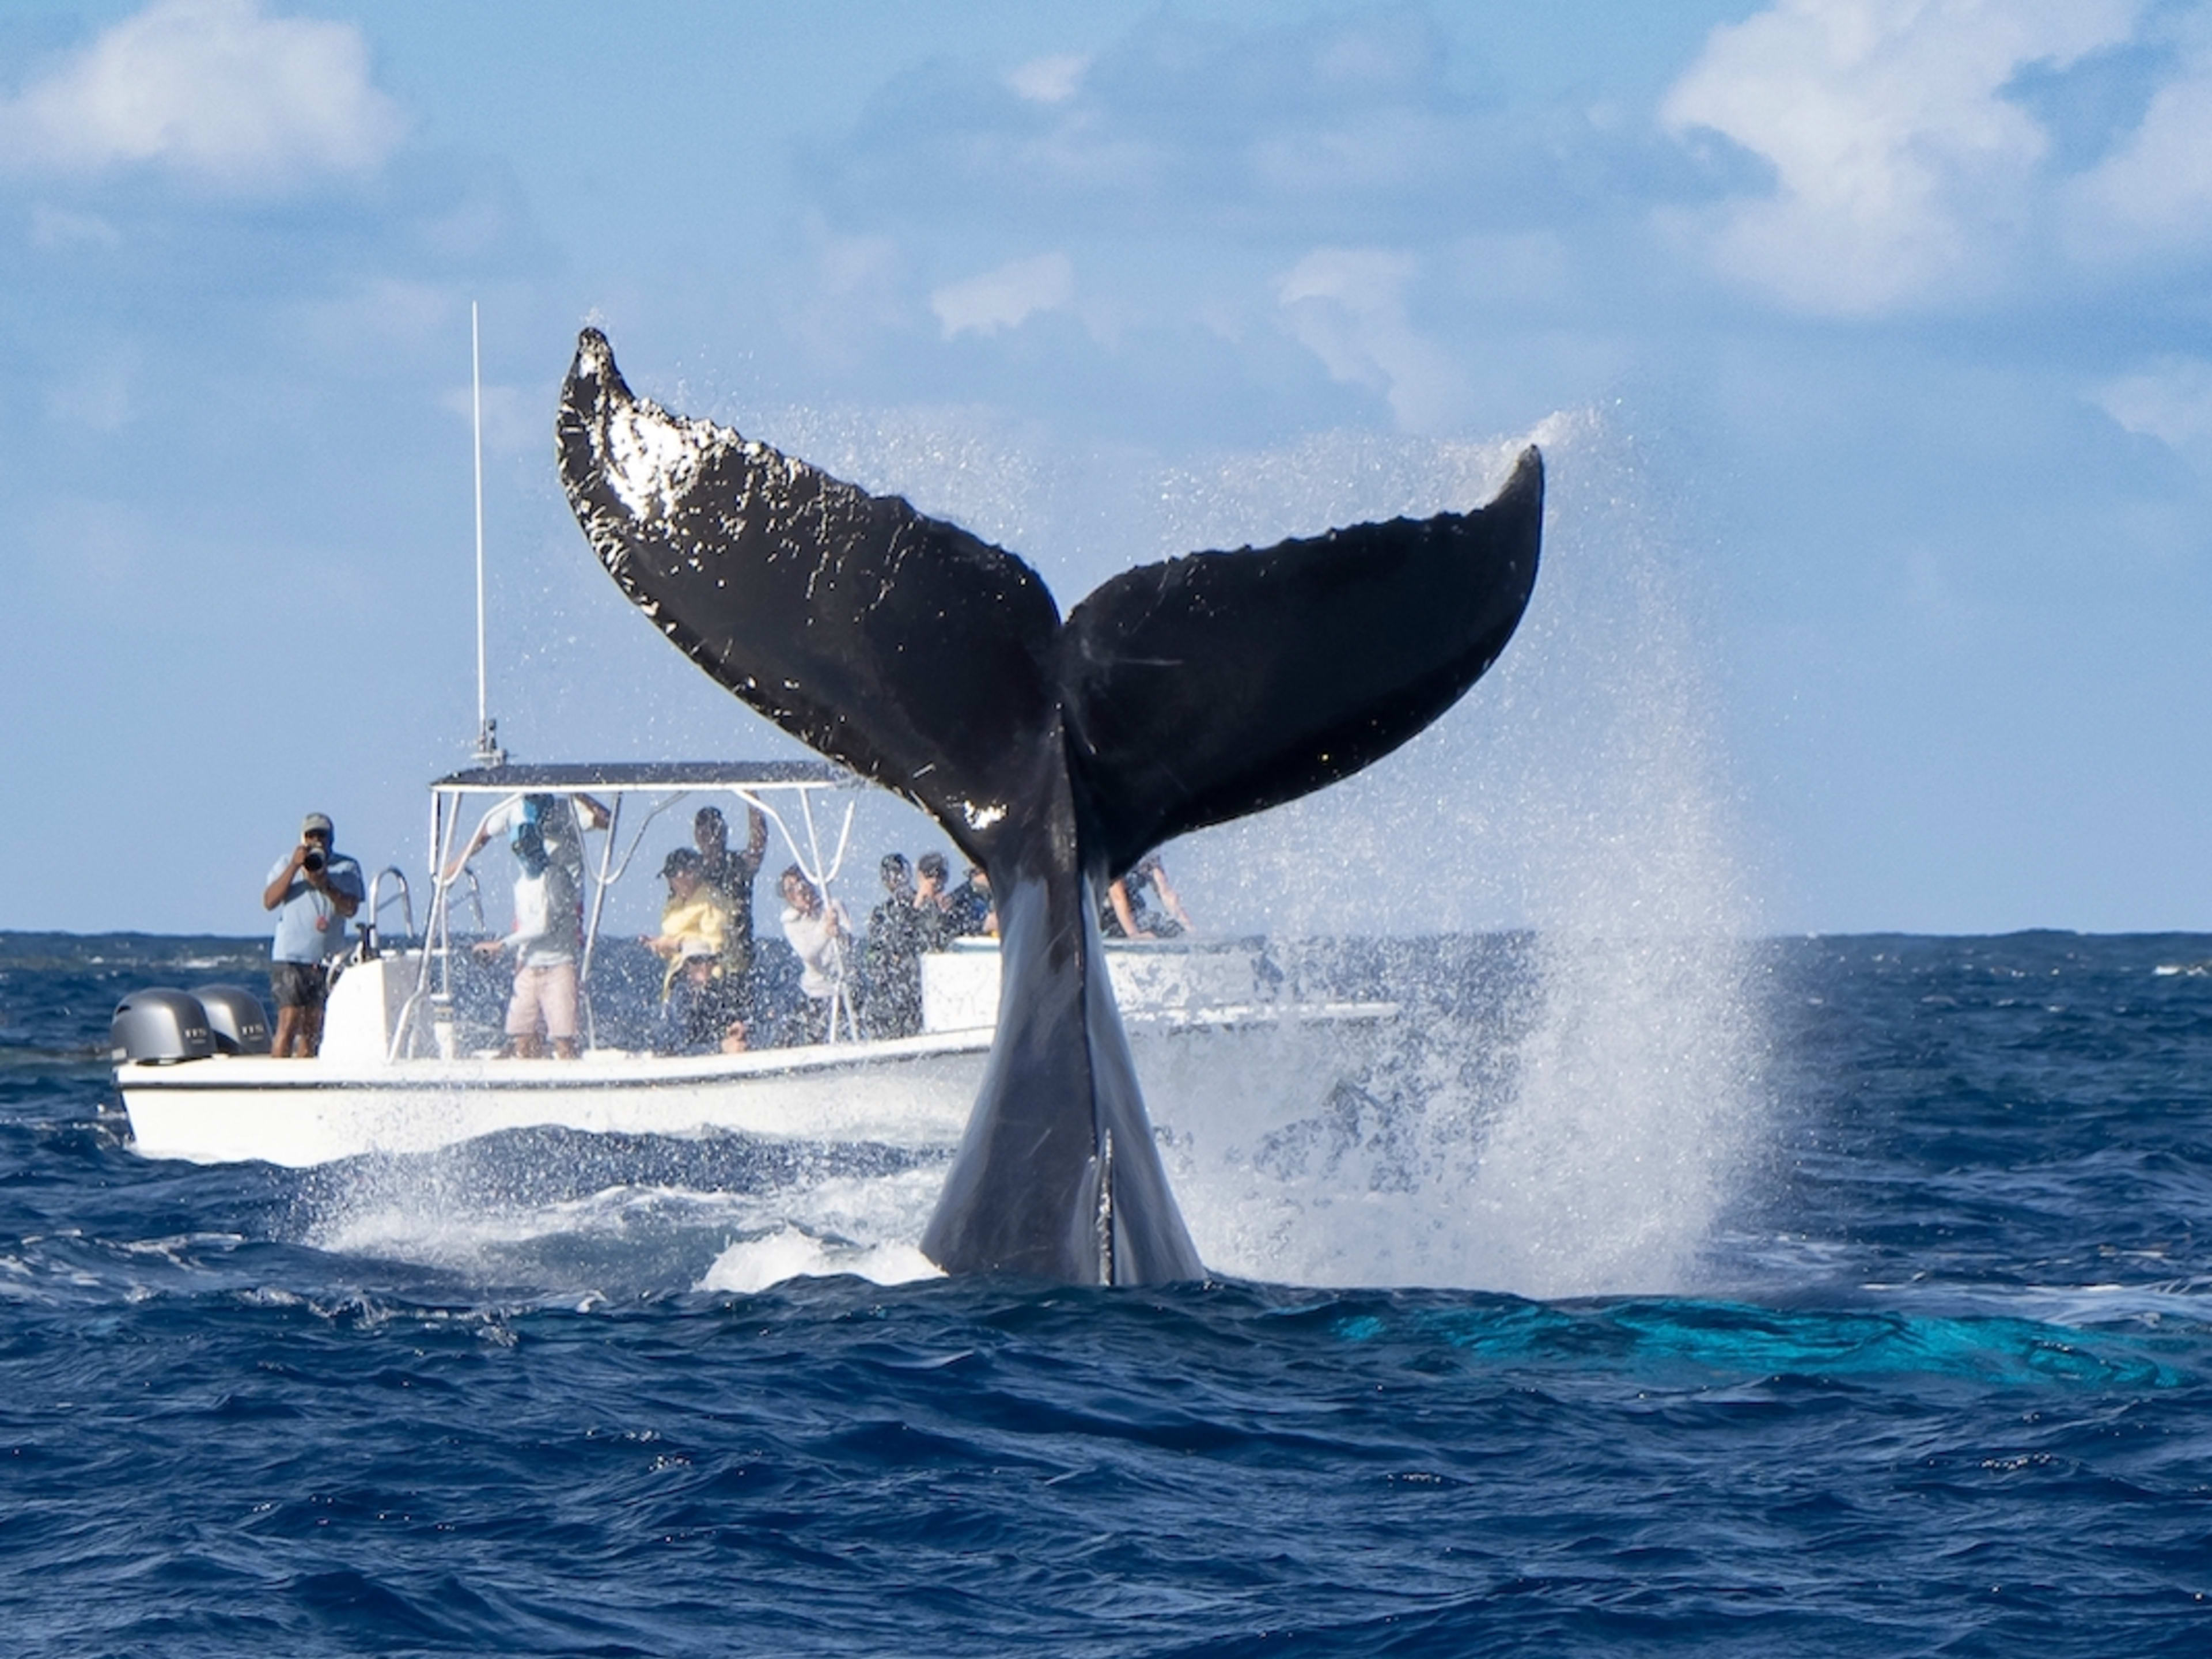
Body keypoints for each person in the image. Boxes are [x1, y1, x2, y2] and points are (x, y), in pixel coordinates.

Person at [472, 817, 582, 1058]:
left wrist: (501, 945)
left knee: (563, 1039)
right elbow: (524, 924)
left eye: (530, 847)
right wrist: (520, 959)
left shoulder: (557, 877)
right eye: (521, 849)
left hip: (558, 965)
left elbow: (545, 924)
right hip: (530, 967)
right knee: (522, 1036)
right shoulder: (521, 885)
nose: (527, 855)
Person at [262, 812, 365, 1058]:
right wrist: (295, 867)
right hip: (291, 956)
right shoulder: (287, 862)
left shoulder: (346, 867)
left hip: (326, 958)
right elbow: (269, 901)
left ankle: (305, 1074)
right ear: (303, 838)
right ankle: (278, 1077)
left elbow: (350, 909)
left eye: (322, 836)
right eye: (311, 836)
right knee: (288, 1021)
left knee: (314, 1027)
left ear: (331, 839)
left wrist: (325, 883)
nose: (316, 841)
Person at [642, 847, 744, 1052]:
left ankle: (716, 1049)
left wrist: (676, 945)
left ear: (692, 872)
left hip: (707, 979)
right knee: (672, 1028)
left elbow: (715, 945)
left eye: (676, 875)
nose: (672, 881)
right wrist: (661, 946)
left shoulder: (710, 901)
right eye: (669, 876)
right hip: (680, 976)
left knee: (688, 1033)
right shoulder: (675, 905)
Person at [694, 803, 768, 1032]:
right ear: (697, 836)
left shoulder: (737, 865)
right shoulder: (693, 872)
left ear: (724, 832)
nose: (711, 838)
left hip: (738, 966)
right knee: (703, 1035)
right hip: (703, 969)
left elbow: (758, 845)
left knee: (739, 1031)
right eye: (705, 832)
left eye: (716, 831)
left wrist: (752, 801)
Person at [862, 853, 945, 1039]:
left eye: (899, 872)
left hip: (919, 982)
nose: (896, 878)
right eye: (890, 874)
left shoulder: (925, 902)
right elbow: (874, 954)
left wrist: (924, 905)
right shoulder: (881, 914)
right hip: (893, 985)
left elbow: (932, 933)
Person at [778, 865, 851, 1043]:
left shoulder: (833, 906)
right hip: (815, 993)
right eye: (791, 889)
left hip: (843, 990)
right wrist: (825, 930)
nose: (799, 891)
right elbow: (808, 953)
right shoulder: (791, 922)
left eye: (802, 884)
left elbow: (849, 944)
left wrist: (838, 931)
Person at [1100, 851, 1192, 940]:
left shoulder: (1149, 853)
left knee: (1172, 928)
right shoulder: (1116, 854)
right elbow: (1118, 897)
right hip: (1106, 913)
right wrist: (1133, 934)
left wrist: (1189, 927)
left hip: (1130, 908)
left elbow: (1166, 893)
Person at [942, 861, 996, 938]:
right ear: (975, 874)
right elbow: (953, 927)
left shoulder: (999, 894)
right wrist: (984, 925)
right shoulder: (961, 898)